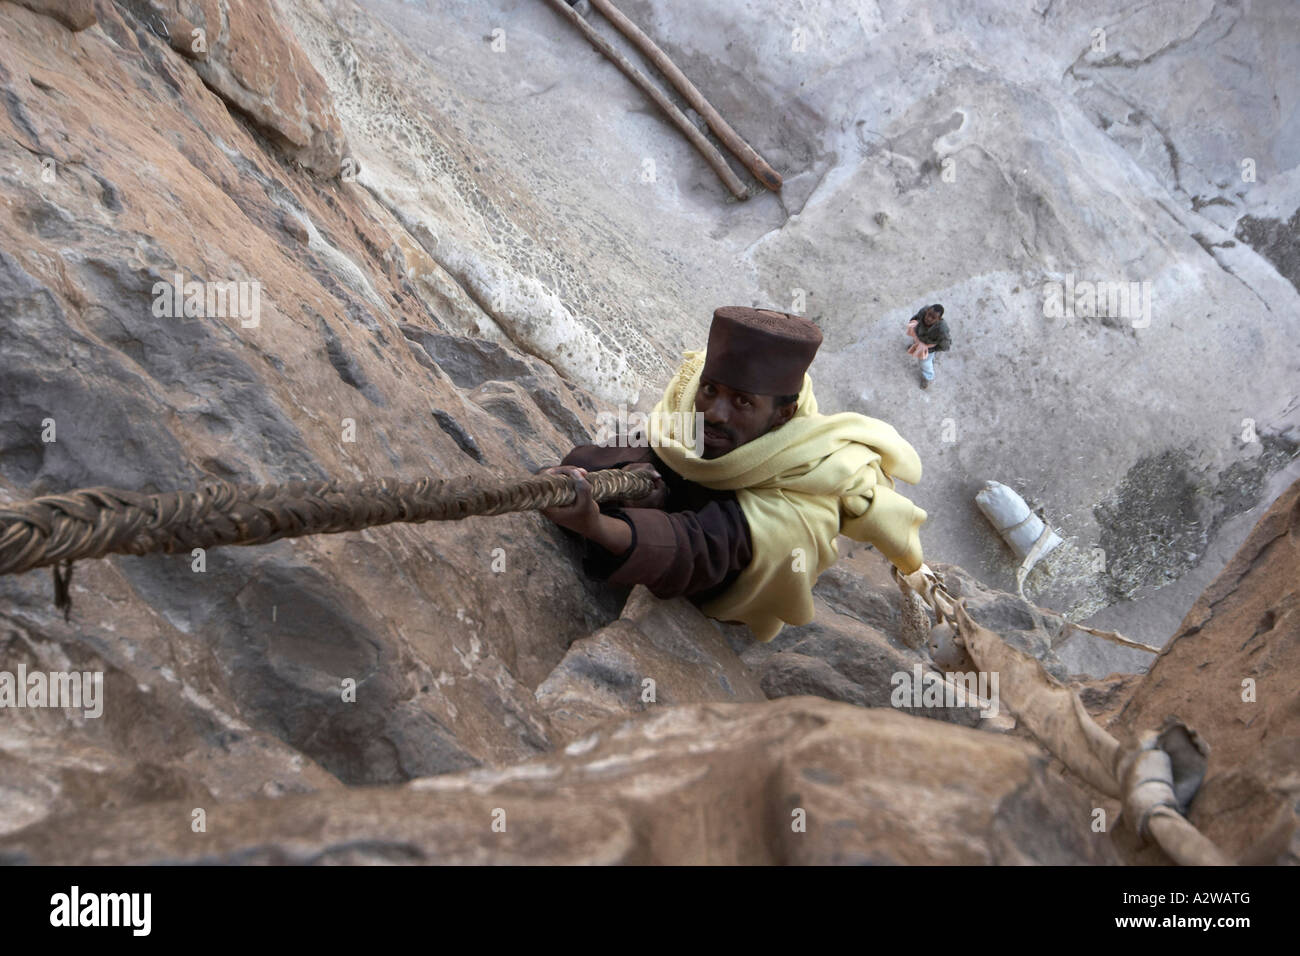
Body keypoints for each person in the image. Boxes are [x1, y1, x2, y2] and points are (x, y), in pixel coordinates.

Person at [537, 306, 928, 642]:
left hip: (728, 588)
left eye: (743, 401)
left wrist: (596, 527)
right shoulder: (687, 407)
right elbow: (631, 450)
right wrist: (637, 485)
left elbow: (701, 547)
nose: (716, 413)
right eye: (710, 390)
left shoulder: (803, 492)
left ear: (782, 415)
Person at [905, 304, 951, 389]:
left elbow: (945, 346)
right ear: (927, 311)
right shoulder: (923, 311)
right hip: (918, 337)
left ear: (939, 319)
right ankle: (915, 347)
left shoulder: (942, 330)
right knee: (915, 343)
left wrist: (931, 349)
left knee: (925, 363)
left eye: (933, 318)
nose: (929, 318)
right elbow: (916, 317)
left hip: (927, 348)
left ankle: (927, 377)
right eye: (929, 314)